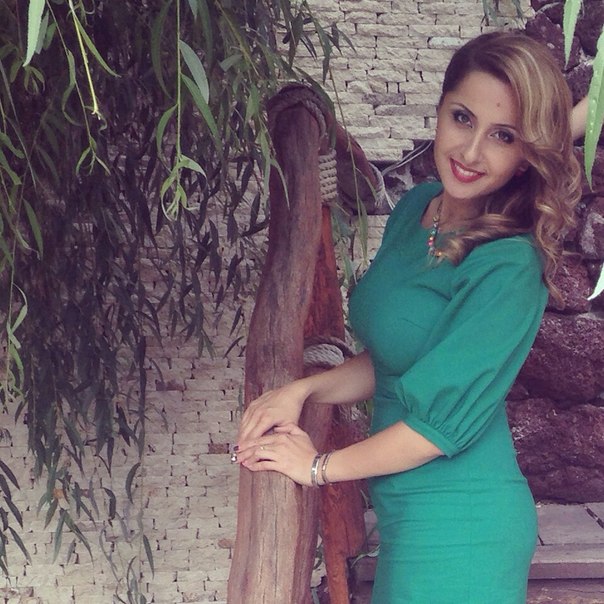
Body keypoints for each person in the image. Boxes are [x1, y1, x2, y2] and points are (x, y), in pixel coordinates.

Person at [235, 31, 584, 603]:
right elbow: (398, 358)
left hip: (462, 528)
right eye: (463, 118)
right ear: (441, 110)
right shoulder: (418, 209)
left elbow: (433, 429)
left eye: (503, 136)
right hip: (407, 514)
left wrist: (316, 467)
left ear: (527, 154)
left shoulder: (508, 265)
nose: (471, 152)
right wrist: (303, 390)